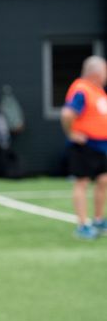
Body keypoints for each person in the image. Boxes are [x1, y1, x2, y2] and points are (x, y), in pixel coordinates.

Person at [61, 55, 107, 240]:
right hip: (85, 145)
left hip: (102, 145)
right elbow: (67, 113)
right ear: (97, 72)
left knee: (103, 180)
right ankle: (82, 225)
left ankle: (98, 219)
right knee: (82, 182)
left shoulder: (98, 91)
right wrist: (71, 133)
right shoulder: (82, 89)